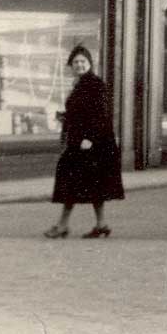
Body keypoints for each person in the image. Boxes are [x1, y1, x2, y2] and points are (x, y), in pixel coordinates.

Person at [46, 45, 124, 239]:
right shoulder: (80, 83)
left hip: (92, 144)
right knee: (86, 185)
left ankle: (65, 225)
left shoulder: (95, 84)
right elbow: (82, 113)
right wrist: (65, 116)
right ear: (71, 65)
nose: (79, 65)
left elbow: (101, 114)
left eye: (83, 62)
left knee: (75, 182)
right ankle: (100, 224)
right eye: (76, 62)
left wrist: (90, 138)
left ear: (90, 63)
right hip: (81, 142)